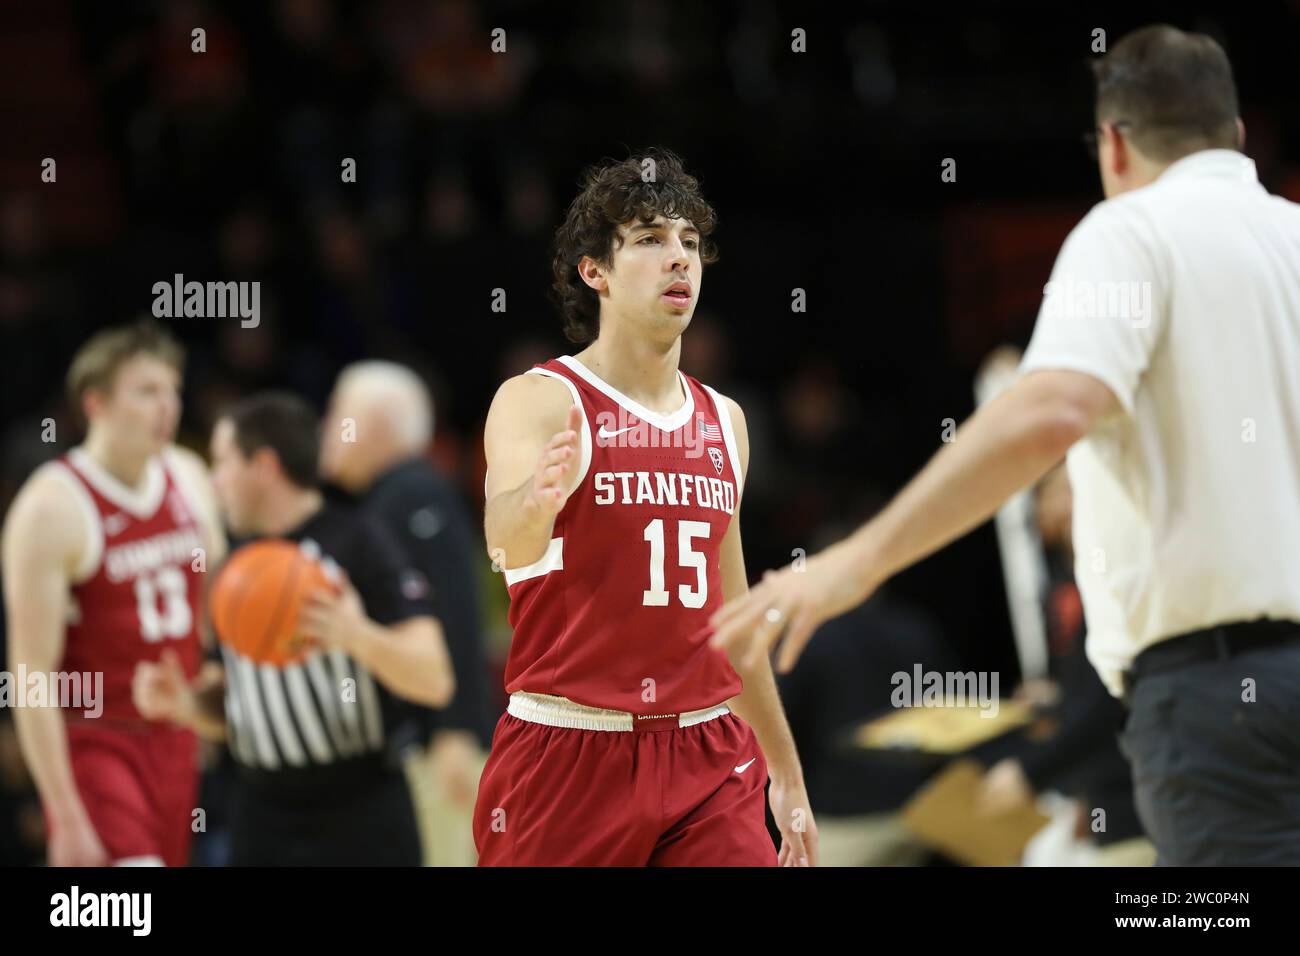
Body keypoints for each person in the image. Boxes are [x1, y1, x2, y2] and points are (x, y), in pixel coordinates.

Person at [711, 24, 1300, 865]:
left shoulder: (1128, 231)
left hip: (1211, 696)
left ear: (1115, 144)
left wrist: (857, 562)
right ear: (1238, 135)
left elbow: (1051, 409)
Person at [475, 149, 815, 866]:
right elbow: (503, 542)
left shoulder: (726, 420)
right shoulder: (542, 399)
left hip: (708, 750)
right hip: (571, 749)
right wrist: (536, 503)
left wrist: (784, 771)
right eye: (651, 240)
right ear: (593, 271)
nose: (679, 260)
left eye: (690, 243)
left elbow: (735, 613)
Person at [133, 391, 455, 865]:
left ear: (263, 465)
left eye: (222, 462)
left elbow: (435, 679)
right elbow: (232, 709)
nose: (214, 481)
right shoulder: (233, 565)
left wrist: (354, 634)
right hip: (262, 813)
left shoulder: (360, 540)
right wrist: (183, 704)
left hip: (361, 807)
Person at [2, 320, 224, 866]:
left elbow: (216, 610)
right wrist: (64, 812)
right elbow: (30, 673)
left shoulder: (189, 475)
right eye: (147, 391)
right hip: (97, 741)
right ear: (95, 402)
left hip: (176, 739)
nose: (167, 406)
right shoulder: (51, 506)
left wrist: (211, 703)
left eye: (173, 389)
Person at [321, 361, 493, 865]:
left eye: (337, 415)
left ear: (375, 425)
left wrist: (455, 729)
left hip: (437, 749)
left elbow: (456, 610)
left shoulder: (415, 494)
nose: (327, 430)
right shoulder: (386, 500)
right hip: (411, 746)